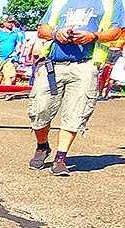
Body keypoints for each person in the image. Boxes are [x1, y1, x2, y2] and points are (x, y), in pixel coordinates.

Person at [27, 0, 125, 175]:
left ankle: (60, 158)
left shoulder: (111, 2)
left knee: (76, 112)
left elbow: (118, 31)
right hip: (54, 64)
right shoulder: (59, 2)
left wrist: (93, 36)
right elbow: (42, 29)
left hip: (86, 65)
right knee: (39, 110)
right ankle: (42, 146)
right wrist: (57, 33)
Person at [0, 16, 26, 87]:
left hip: (9, 59)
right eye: (9, 22)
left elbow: (18, 45)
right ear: (5, 23)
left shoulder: (15, 34)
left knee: (9, 76)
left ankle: (7, 92)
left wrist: (17, 55)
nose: (11, 24)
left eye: (12, 22)